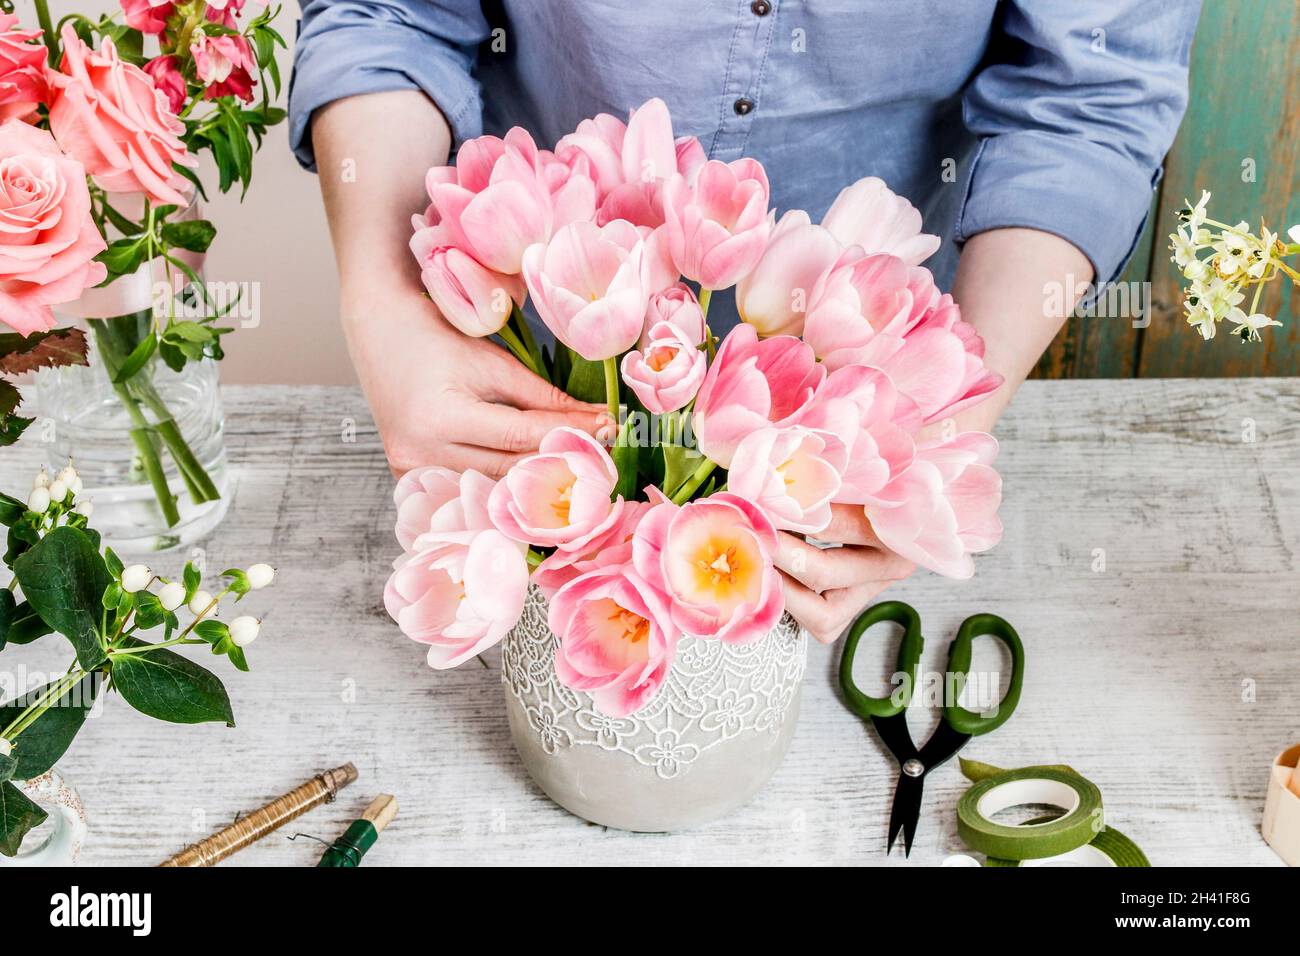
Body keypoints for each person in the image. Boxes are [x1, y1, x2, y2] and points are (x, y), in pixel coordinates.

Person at [289, 0, 1200, 642]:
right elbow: (386, 11)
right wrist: (387, 306)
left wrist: (928, 438)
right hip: (522, 393)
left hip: (858, 437)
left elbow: (1090, 96)